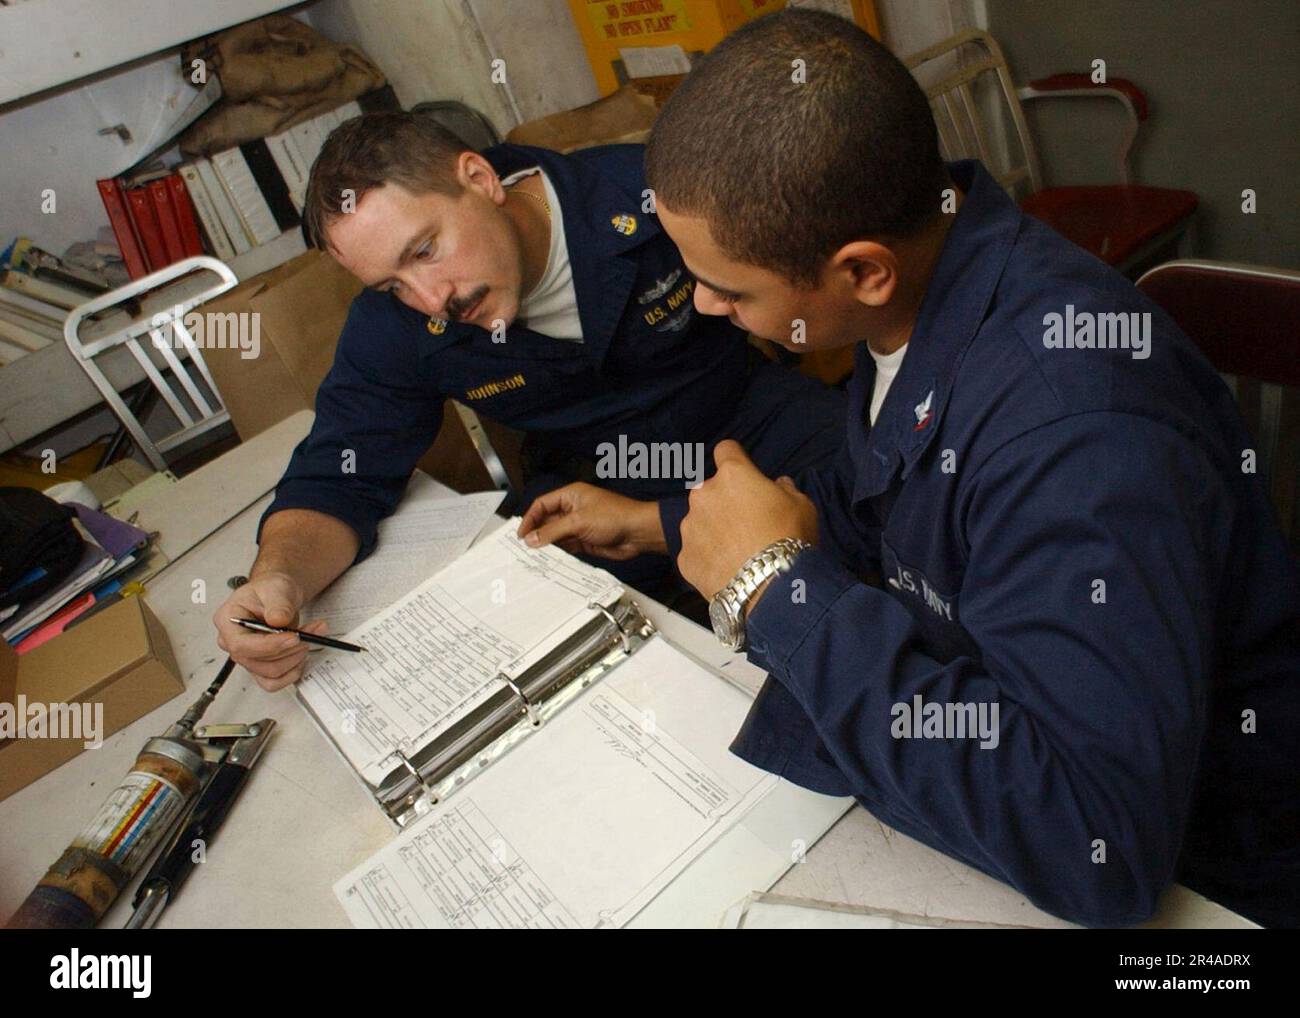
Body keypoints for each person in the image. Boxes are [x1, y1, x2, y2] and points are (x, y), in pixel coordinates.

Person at [517, 10, 1300, 927]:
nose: (704, 304)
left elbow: (1098, 846)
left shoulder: (1078, 440)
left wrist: (774, 590)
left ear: (863, 270)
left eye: (729, 288)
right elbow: (892, 504)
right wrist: (666, 525)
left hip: (1223, 883)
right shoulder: (924, 288)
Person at [211, 111, 847, 689]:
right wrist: (279, 578)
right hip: (586, 494)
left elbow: (816, 299)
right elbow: (337, 474)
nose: (433, 300)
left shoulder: (652, 195)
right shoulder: (394, 325)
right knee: (533, 666)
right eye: (394, 284)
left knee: (878, 493)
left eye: (426, 250)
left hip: (745, 426)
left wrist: (668, 520)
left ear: (480, 178)